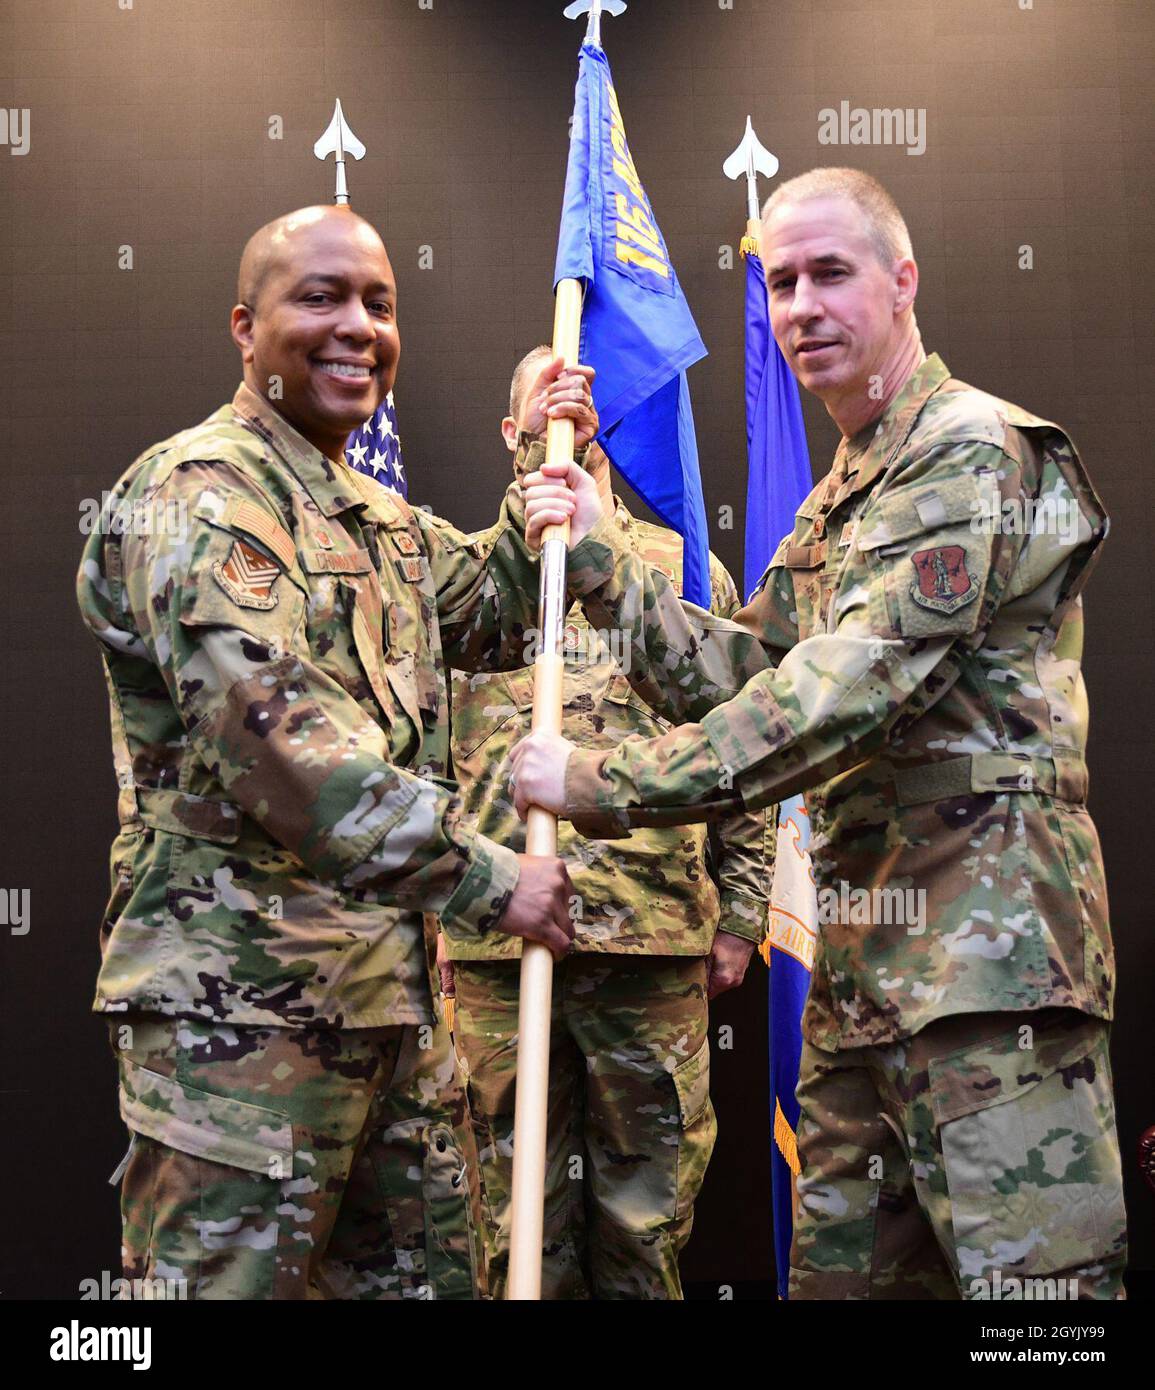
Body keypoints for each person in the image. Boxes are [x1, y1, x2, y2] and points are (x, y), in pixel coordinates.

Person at [511, 168, 1127, 1300]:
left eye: (829, 274)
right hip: (866, 986)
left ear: (903, 283)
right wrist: (602, 557)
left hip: (988, 986)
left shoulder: (968, 451)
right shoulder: (847, 489)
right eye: (779, 279)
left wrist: (601, 782)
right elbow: (744, 670)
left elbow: (840, 693)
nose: (799, 305)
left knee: (1040, 1314)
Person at [75, 204, 598, 1300]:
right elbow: (285, 752)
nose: (357, 326)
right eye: (320, 297)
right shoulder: (196, 496)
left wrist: (547, 476)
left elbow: (494, 607)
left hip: (394, 1022)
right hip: (241, 1036)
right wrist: (494, 881)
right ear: (244, 326)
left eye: (378, 303)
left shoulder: (372, 515)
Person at [439, 345, 770, 1300]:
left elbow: (742, 742)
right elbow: (417, 756)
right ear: (512, 433)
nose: (563, 417)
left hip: (651, 939)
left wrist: (741, 915)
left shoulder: (677, 566)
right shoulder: (467, 586)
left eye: (581, 404)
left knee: (645, 1226)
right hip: (496, 950)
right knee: (508, 1228)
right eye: (542, 404)